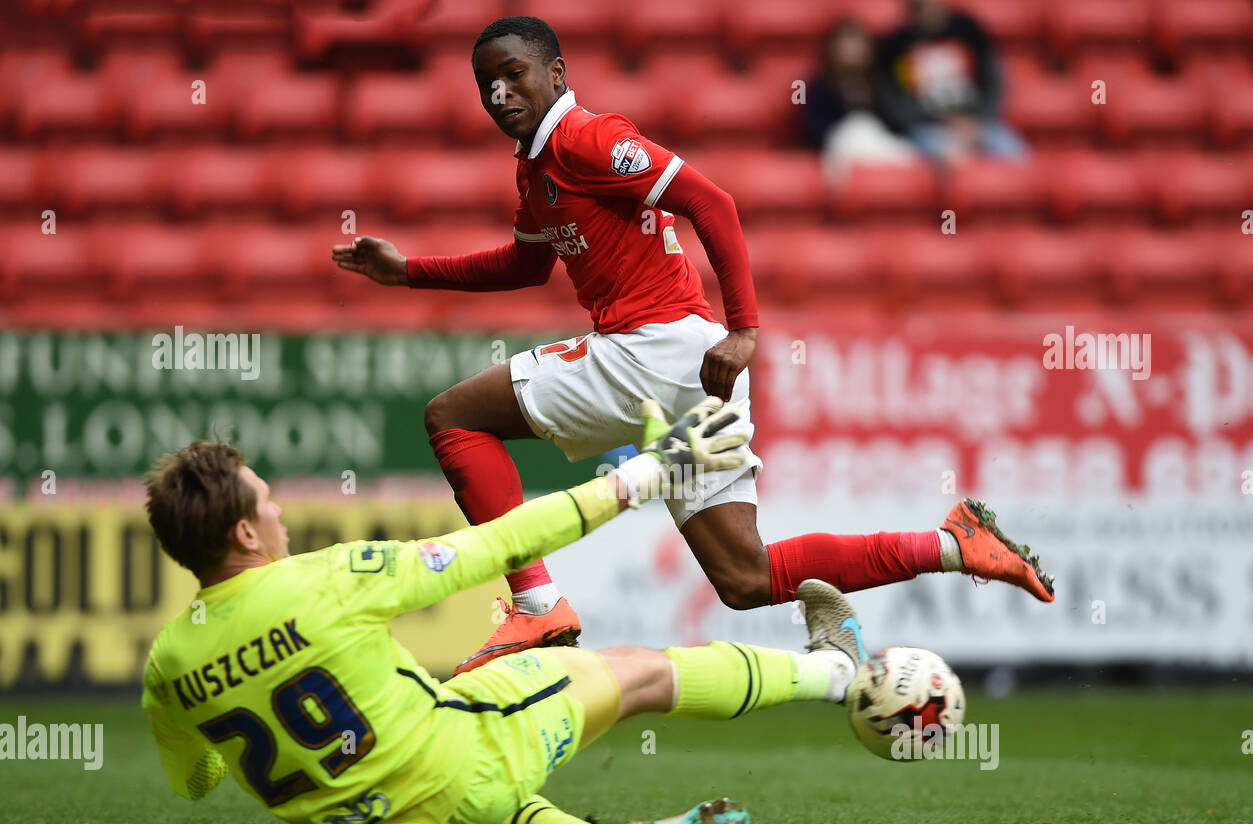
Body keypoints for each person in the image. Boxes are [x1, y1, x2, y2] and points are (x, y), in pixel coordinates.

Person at [333, 15, 1052, 677]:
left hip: (653, 350)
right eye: (486, 81)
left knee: (453, 417)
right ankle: (957, 545)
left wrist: (745, 327)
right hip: (690, 370)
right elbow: (526, 265)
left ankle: (535, 602)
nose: (499, 90)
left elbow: (714, 202)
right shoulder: (538, 163)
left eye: (514, 72)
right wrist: (408, 273)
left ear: (555, 73)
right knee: (747, 579)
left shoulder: (586, 137)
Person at [140, 398, 873, 824]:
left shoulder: (170, 660)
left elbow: (197, 780)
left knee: (456, 743)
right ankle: (838, 673)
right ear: (243, 531)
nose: (281, 514)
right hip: (459, 765)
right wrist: (649, 472)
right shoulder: (326, 579)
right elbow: (504, 540)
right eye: (268, 504)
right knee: (636, 670)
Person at [873, 0, 1027, 163]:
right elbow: (896, 102)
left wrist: (978, 120)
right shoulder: (897, 45)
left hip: (977, 122)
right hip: (927, 127)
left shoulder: (967, 30)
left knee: (1014, 153)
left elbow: (993, 82)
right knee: (952, 158)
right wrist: (941, 121)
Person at [801, 17, 918, 164]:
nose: (852, 50)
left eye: (857, 43)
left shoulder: (879, 81)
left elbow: (894, 119)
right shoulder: (818, 83)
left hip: (879, 140)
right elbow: (813, 125)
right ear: (833, 47)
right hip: (839, 143)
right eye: (846, 44)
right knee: (857, 129)